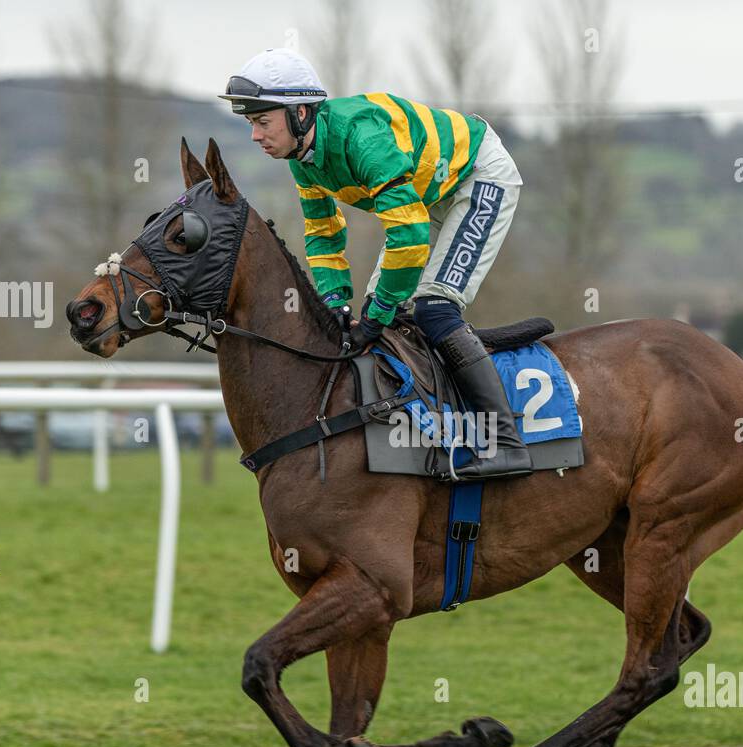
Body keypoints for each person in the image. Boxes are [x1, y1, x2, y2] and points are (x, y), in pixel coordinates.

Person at [219, 48, 531, 479]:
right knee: (381, 316)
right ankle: (419, 429)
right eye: (251, 123)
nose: (255, 135)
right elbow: (324, 234)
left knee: (433, 307)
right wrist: (336, 302)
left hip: (477, 176)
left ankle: (506, 442)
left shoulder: (361, 136)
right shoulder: (304, 161)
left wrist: (377, 312)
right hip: (427, 196)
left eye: (262, 121)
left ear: (301, 114)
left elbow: (408, 233)